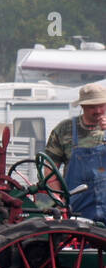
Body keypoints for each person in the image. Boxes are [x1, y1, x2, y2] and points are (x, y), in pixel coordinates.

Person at [44, 83, 106, 223]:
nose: (98, 110)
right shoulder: (65, 130)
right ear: (82, 106)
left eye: (101, 105)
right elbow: (49, 169)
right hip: (77, 207)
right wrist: (58, 199)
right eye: (92, 107)